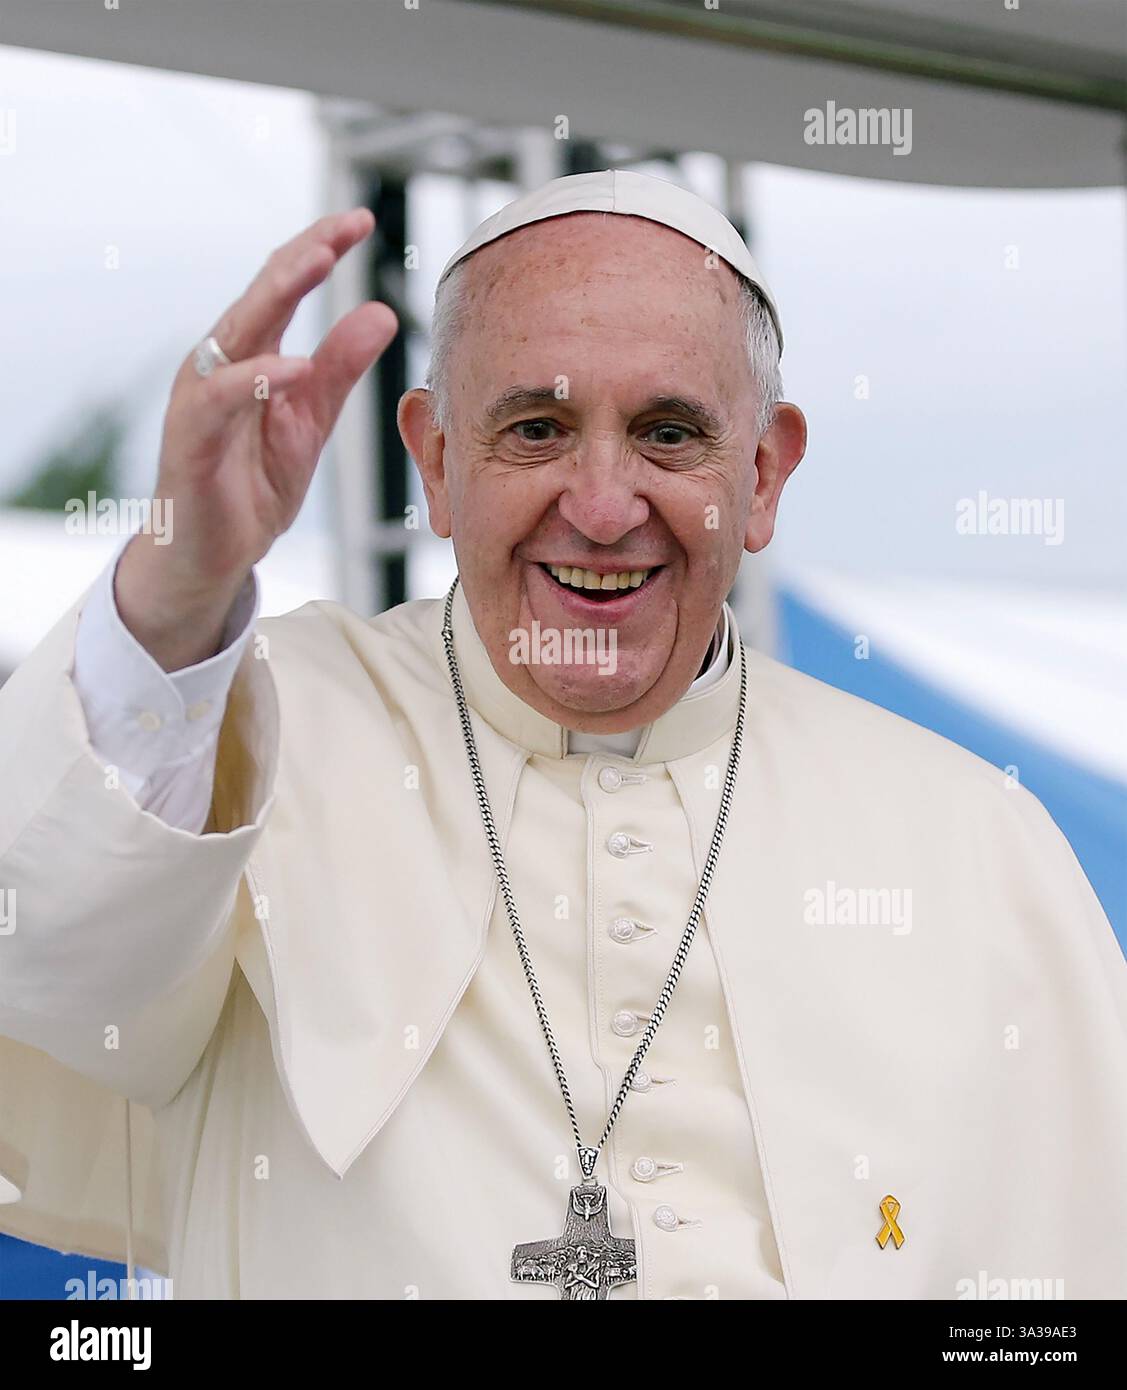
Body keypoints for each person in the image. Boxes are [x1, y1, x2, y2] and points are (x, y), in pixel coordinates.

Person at [1, 170, 1124, 1300]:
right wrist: (174, 589)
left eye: (668, 433)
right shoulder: (247, 730)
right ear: (435, 460)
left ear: (763, 471)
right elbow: (49, 960)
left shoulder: (971, 841)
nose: (600, 505)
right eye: (534, 429)